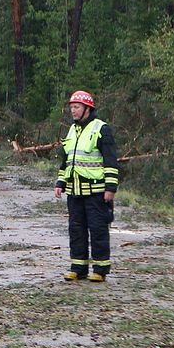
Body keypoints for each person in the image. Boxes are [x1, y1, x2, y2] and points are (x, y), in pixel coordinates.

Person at [54, 90, 119, 282]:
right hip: (74, 191)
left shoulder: (101, 129)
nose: (73, 111)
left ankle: (100, 270)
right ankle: (78, 268)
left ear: (87, 109)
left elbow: (111, 161)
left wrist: (110, 188)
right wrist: (60, 182)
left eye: (77, 107)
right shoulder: (72, 130)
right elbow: (67, 160)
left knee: (98, 230)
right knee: (76, 230)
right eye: (72, 107)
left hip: (96, 192)